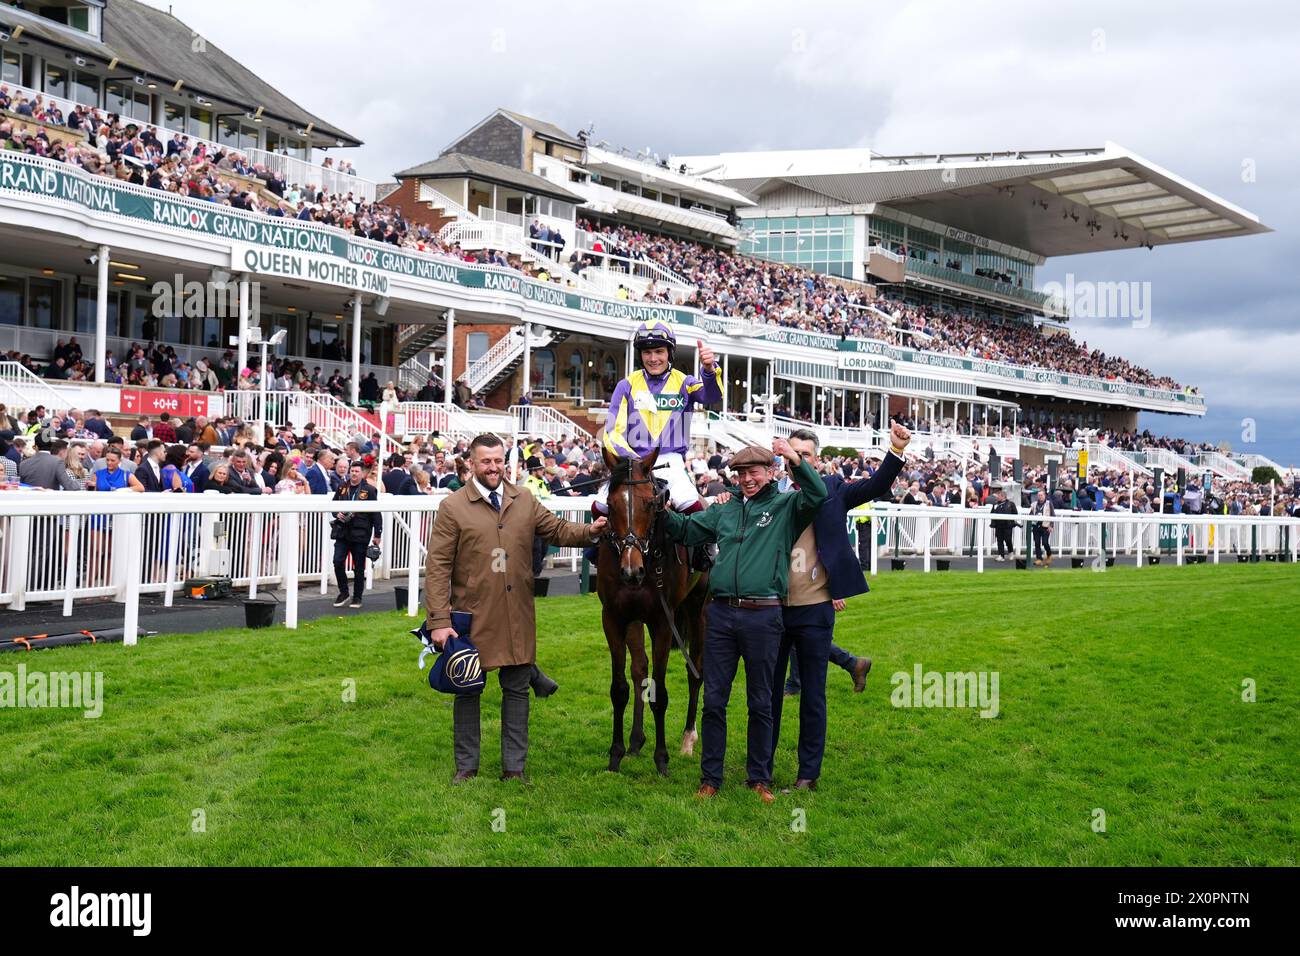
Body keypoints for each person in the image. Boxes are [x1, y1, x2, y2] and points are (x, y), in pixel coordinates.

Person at [423, 433, 608, 783]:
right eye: (486, 462)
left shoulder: (523, 498)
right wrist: (439, 621)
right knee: (467, 689)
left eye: (498, 461)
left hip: (518, 616)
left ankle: (514, 768)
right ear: (471, 464)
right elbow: (437, 568)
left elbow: (557, 530)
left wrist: (592, 530)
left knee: (517, 690)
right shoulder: (453, 507)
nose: (493, 468)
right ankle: (467, 766)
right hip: (472, 619)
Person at [660, 439, 826, 802]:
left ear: (771, 473)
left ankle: (758, 779)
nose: (747, 479)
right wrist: (659, 511)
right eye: (740, 473)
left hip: (764, 615)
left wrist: (796, 459)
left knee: (760, 701)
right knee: (714, 700)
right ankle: (710, 778)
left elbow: (817, 492)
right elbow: (686, 530)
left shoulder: (786, 506)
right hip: (719, 614)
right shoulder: (725, 509)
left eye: (753, 472)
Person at [768, 424, 909, 792]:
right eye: (791, 452)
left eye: (806, 454)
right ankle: (760, 772)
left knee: (812, 694)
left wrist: (894, 451)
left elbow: (875, 487)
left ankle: (807, 776)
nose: (796, 459)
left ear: (817, 460)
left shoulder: (832, 490)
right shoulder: (769, 493)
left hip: (815, 608)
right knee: (768, 694)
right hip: (772, 607)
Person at [331, 461, 382, 608]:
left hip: (360, 533)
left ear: (362, 473)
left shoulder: (369, 490)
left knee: (358, 567)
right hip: (342, 532)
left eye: (356, 471)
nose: (353, 474)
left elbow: (376, 513)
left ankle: (357, 596)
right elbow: (333, 505)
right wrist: (337, 513)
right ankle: (344, 592)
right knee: (337, 561)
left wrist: (377, 534)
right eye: (351, 471)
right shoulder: (342, 487)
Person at [18, 439, 82, 491]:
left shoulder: (23, 463)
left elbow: (20, 486)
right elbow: (69, 486)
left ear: (36, 447)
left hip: (28, 502)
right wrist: (81, 484)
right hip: (48, 502)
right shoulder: (57, 462)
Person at [990, 485, 1018, 561]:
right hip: (998, 525)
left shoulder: (1011, 504)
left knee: (1008, 539)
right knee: (999, 540)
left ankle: (1011, 552)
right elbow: (992, 513)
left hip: (1007, 525)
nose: (997, 497)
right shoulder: (996, 504)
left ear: (1003, 496)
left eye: (998, 496)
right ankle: (1001, 555)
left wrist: (1012, 521)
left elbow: (1015, 513)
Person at [1029, 487, 1054, 567]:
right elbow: (1030, 514)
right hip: (1036, 526)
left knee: (1045, 542)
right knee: (1036, 542)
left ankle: (1049, 555)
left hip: (1045, 526)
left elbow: (1052, 515)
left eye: (1041, 495)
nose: (1040, 497)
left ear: (1045, 495)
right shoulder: (1034, 504)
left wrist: (1051, 525)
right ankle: (1039, 558)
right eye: (1039, 495)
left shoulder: (1048, 503)